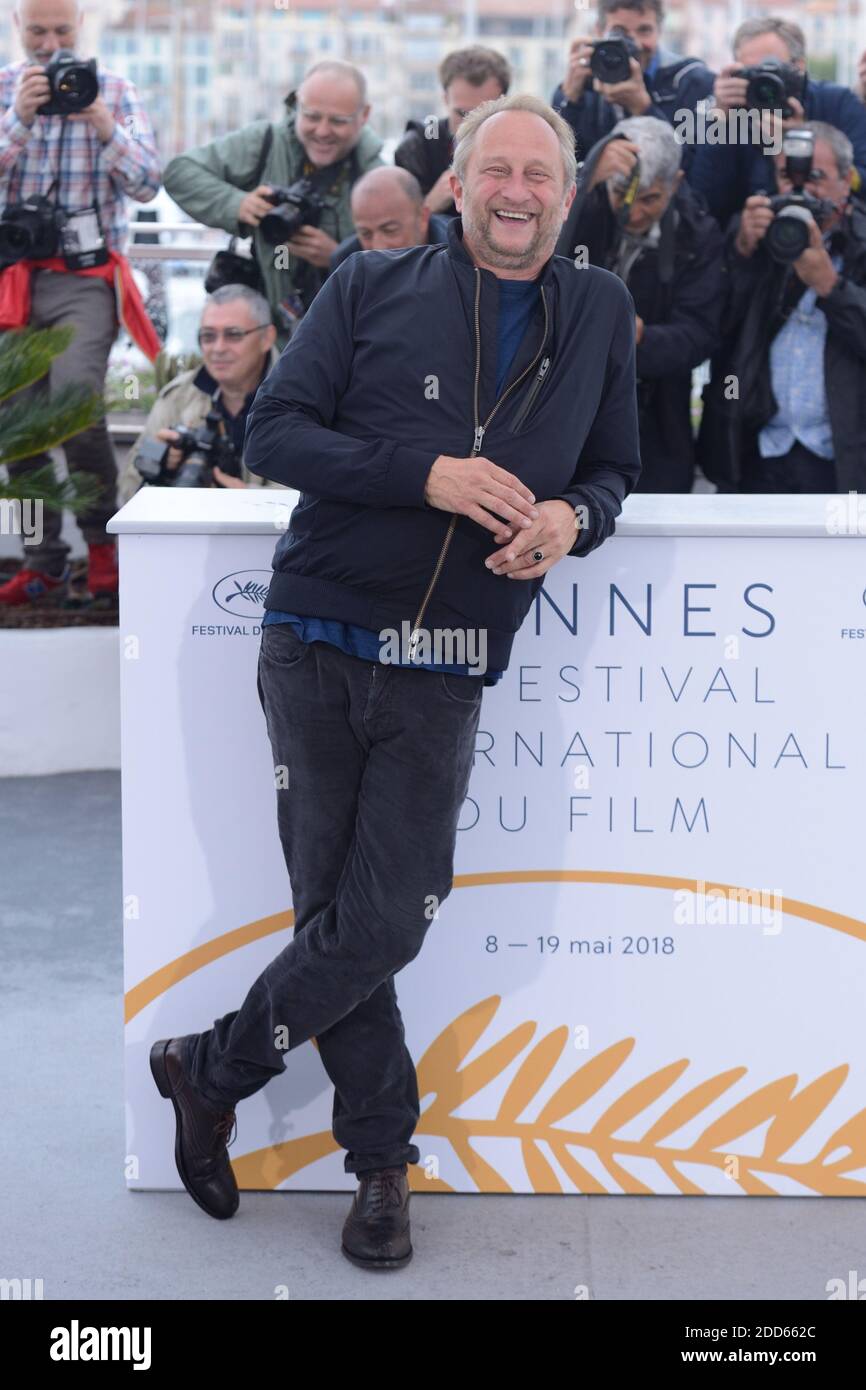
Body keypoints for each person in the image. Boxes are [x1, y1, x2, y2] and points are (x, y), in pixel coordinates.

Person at [149, 91, 641, 1270]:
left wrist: (575, 516)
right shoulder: (370, 286)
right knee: (343, 921)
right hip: (317, 636)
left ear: (563, 195)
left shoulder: (600, 308)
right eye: (495, 170)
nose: (516, 191)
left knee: (383, 914)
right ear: (456, 186)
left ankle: (207, 1069)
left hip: (449, 653)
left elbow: (618, 465)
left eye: (539, 174)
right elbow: (272, 432)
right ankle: (382, 1168)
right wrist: (422, 474)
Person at [0, 0, 160, 607]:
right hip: (12, 276)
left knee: (75, 401)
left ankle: (102, 542)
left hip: (85, 277)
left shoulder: (114, 92)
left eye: (61, 30)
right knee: (15, 425)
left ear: (81, 27)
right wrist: (18, 117)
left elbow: (148, 181)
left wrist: (101, 122)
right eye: (37, 31)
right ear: (18, 27)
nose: (49, 43)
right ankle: (41, 557)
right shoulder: (5, 91)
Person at [163, 59, 384, 344]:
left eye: (338, 121)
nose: (322, 131)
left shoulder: (377, 175)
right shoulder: (265, 143)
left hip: (346, 335)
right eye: (312, 116)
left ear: (363, 116)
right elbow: (179, 172)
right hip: (267, 336)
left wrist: (337, 255)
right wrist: (237, 204)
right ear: (296, 105)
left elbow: (396, 269)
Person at [698, 122, 866, 493]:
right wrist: (741, 252)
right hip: (757, 449)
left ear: (848, 180)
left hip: (842, 459)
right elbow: (711, 328)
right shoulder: (753, 237)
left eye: (815, 176)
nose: (800, 188)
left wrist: (831, 287)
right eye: (787, 176)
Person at [557, 117, 723, 491]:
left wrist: (637, 337)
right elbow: (539, 267)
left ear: (676, 183)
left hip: (657, 423)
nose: (632, 212)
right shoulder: (584, 207)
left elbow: (701, 335)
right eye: (623, 195)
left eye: (650, 199)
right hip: (569, 415)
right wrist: (581, 187)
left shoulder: (699, 235)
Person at [690, 17, 866, 230]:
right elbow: (703, 201)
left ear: (799, 66)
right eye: (752, 72)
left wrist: (803, 143)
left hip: (828, 234)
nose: (763, 83)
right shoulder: (732, 111)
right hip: (753, 243)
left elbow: (860, 179)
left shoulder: (837, 103)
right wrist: (719, 121)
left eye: (772, 69)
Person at [118, 285, 289, 503]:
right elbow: (127, 492)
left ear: (267, 337)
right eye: (208, 336)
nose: (218, 348)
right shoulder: (179, 395)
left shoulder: (301, 396)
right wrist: (159, 465)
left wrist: (249, 500)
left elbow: (321, 492)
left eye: (233, 335)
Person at [551, 0, 714, 172]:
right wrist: (569, 100)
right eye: (619, 32)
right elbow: (559, 170)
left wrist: (644, 109)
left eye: (644, 30)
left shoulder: (691, 82)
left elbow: (696, 170)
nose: (634, 44)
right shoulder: (583, 83)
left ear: (659, 31)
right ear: (599, 31)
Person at [394, 45, 511, 218]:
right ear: (445, 99)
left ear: (504, 104)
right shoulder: (422, 141)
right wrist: (430, 205)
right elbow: (395, 234)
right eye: (462, 114)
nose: (471, 125)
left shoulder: (518, 148)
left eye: (484, 114)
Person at [329, 166, 450, 273]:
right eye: (366, 234)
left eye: (390, 230)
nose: (378, 246)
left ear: (423, 218)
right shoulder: (345, 263)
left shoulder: (459, 251)